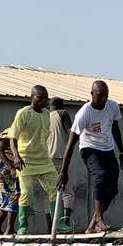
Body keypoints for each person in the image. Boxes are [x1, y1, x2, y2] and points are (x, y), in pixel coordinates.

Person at [58, 80, 123, 233]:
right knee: (100, 175)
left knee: (113, 188)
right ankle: (99, 219)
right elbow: (71, 143)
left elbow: (115, 128)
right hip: (89, 148)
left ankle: (93, 222)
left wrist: (121, 152)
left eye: (106, 96)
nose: (103, 99)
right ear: (92, 94)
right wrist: (63, 171)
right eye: (100, 96)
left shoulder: (113, 106)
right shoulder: (84, 113)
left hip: (107, 149)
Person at [6, 85, 61, 234]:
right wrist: (16, 156)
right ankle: (23, 226)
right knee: (26, 193)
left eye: (46, 98)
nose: (43, 101)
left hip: (44, 159)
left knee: (55, 189)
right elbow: (12, 137)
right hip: (26, 160)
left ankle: (59, 223)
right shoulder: (24, 113)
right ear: (32, 97)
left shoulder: (47, 114)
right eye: (40, 98)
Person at [48, 98, 77, 230]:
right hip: (60, 157)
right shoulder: (62, 113)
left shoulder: (45, 116)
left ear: (51, 106)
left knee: (50, 193)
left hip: (45, 159)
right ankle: (65, 223)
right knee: (67, 191)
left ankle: (50, 226)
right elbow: (70, 131)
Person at [0, 132, 20, 234]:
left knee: (6, 198)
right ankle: (9, 229)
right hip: (2, 167)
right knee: (15, 194)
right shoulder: (10, 132)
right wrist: (11, 168)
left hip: (1, 168)